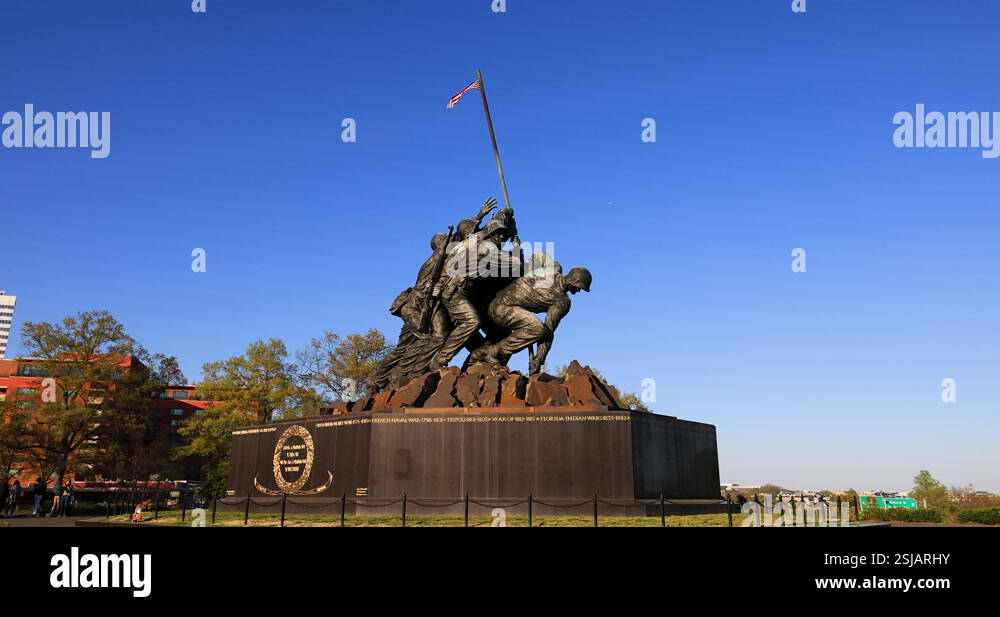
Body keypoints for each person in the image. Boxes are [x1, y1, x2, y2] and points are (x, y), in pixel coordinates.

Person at [470, 253, 592, 375]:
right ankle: (492, 352)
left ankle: (477, 360)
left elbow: (538, 254)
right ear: (576, 282)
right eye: (580, 287)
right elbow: (548, 332)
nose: (579, 291)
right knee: (537, 328)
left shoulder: (551, 268)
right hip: (502, 311)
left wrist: (529, 270)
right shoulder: (563, 301)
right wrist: (539, 359)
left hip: (492, 304)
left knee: (513, 336)